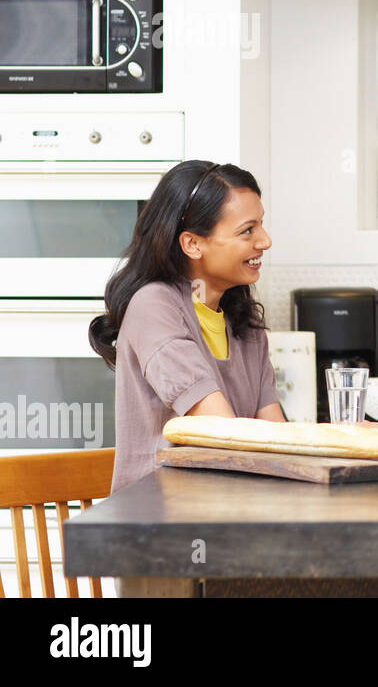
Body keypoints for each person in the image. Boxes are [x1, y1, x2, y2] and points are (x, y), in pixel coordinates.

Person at [90, 160, 284, 493]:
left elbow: (278, 441)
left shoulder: (244, 323)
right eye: (247, 230)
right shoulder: (154, 306)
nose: (264, 241)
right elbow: (220, 432)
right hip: (158, 528)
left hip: (231, 514)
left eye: (261, 225)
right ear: (193, 244)